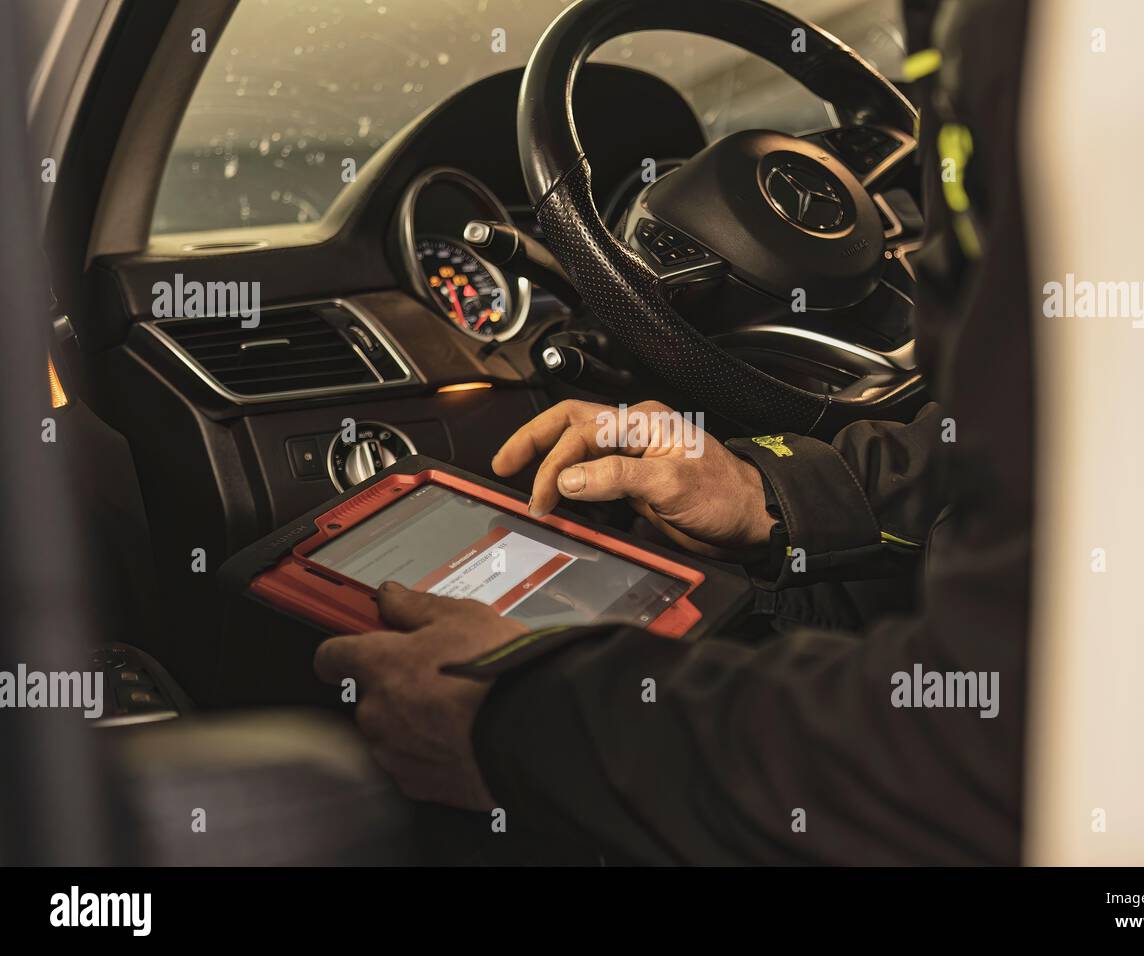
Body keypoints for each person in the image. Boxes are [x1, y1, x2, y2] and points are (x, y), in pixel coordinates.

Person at [313, 0, 1033, 863]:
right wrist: (770, 490)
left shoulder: (1084, 70)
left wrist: (525, 729)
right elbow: (1036, 462)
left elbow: (978, 753)